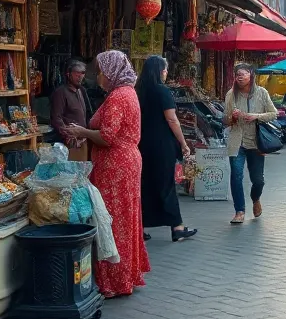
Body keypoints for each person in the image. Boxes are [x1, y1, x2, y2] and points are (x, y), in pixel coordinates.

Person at [65, 50, 148, 297]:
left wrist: (82, 132)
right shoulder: (127, 93)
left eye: (101, 71)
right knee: (124, 217)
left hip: (116, 166)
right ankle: (125, 275)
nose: (98, 76)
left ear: (111, 73)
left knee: (111, 219)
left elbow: (107, 137)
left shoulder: (118, 97)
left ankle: (114, 281)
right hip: (125, 162)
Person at [136, 55, 196, 242]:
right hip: (162, 145)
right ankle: (177, 227)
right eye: (165, 69)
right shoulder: (162, 91)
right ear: (160, 71)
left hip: (142, 144)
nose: (166, 72)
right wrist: (183, 143)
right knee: (166, 184)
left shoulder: (137, 91)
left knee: (144, 185)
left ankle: (140, 228)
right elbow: (172, 119)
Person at [224, 62, 278, 224]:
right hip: (237, 141)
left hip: (256, 142)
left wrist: (256, 116)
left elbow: (274, 114)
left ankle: (256, 199)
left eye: (243, 73)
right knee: (236, 175)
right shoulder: (230, 95)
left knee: (258, 180)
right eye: (237, 74)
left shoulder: (262, 93)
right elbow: (225, 120)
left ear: (251, 75)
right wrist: (232, 117)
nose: (239, 77)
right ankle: (239, 211)